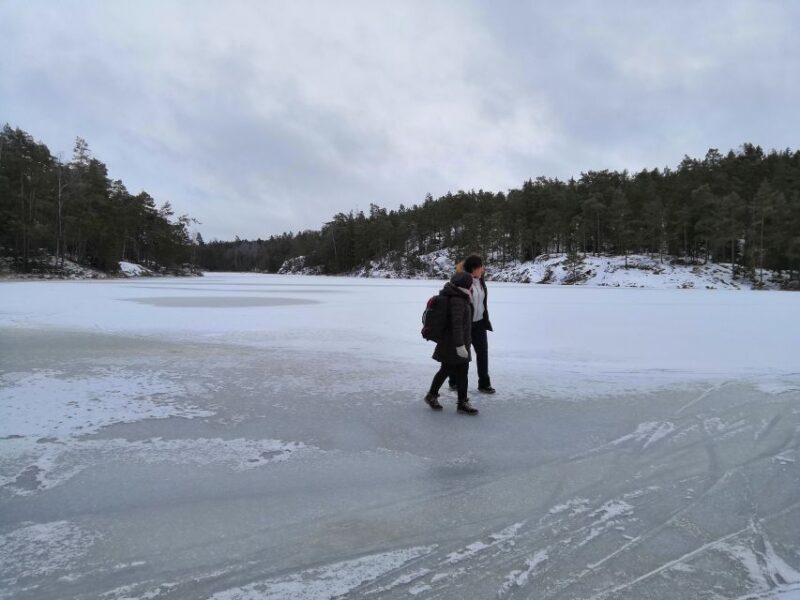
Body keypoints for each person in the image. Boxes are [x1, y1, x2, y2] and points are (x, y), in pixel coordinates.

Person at [424, 271, 479, 415]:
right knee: (450, 370)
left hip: (454, 342)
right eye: (471, 284)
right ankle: (457, 401)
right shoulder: (458, 300)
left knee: (453, 371)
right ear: (465, 285)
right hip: (453, 343)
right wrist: (460, 345)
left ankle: (456, 401)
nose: (472, 286)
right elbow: (457, 325)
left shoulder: (459, 296)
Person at [449, 254, 496, 394]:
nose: (483, 269)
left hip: (480, 323)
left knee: (483, 353)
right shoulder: (462, 282)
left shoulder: (480, 281)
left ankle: (484, 384)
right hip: (466, 324)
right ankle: (455, 381)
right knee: (463, 355)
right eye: (481, 266)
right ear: (474, 268)